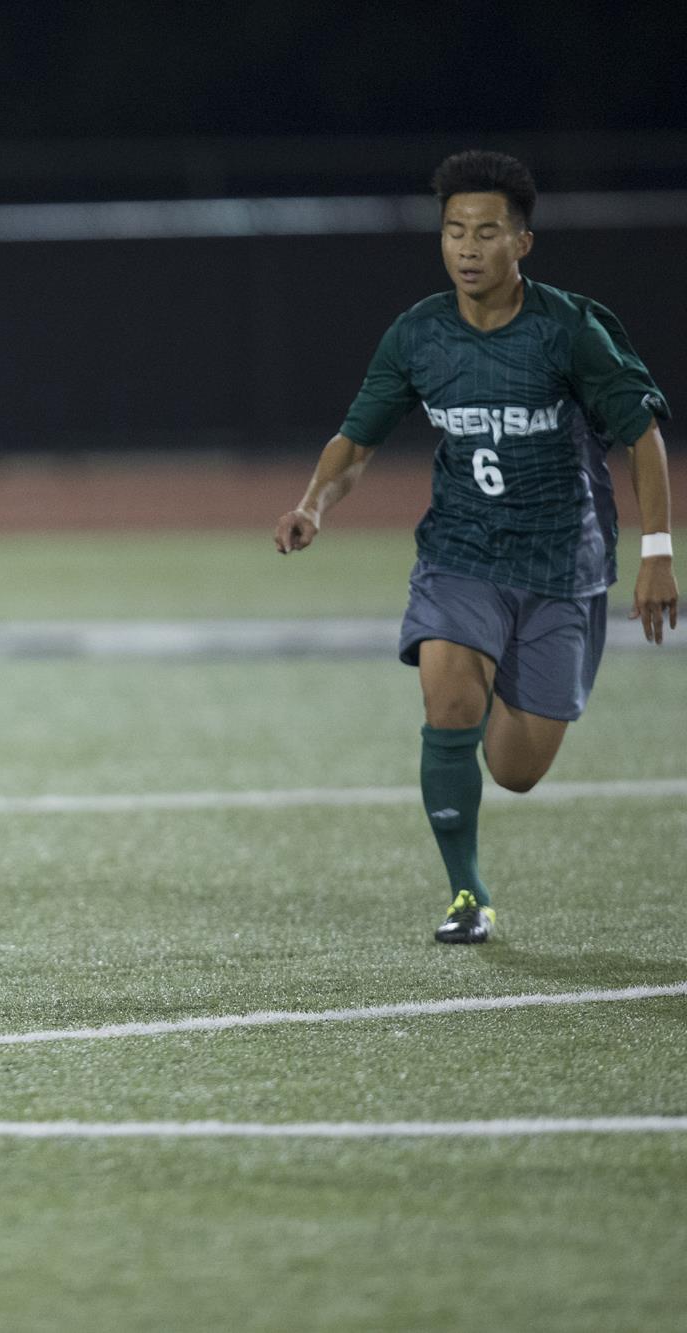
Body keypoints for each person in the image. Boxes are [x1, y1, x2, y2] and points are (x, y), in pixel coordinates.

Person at [274, 150, 675, 944]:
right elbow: (356, 444)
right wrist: (312, 504)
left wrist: (659, 551)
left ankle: (488, 680)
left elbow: (644, 436)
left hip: (562, 567)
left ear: (521, 242)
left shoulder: (571, 330)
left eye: (486, 232)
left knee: (517, 771)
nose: (466, 246)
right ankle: (467, 894)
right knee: (448, 695)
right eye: (454, 229)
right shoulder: (418, 335)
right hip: (460, 555)